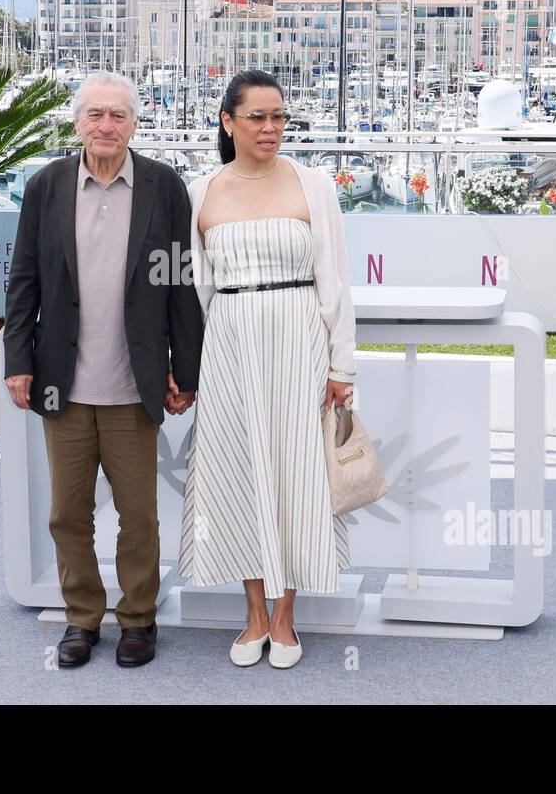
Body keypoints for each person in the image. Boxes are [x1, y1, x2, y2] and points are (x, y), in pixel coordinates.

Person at [1, 71, 204, 668]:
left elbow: (178, 281)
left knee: (138, 516)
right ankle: (82, 619)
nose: (106, 125)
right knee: (68, 513)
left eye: (117, 115)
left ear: (134, 124)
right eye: (95, 114)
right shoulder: (46, 186)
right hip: (62, 380)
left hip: (132, 385)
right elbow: (24, 281)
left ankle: (139, 618)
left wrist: (183, 370)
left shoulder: (164, 187)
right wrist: (18, 362)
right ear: (78, 123)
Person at [178, 70, 357, 670]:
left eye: (279, 116)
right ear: (228, 123)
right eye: (257, 117)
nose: (271, 128)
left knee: (296, 476)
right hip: (228, 345)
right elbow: (194, 289)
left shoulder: (314, 185)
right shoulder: (200, 191)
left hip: (299, 341)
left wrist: (342, 365)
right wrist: (190, 365)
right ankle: (254, 612)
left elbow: (335, 283)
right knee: (239, 475)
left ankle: (286, 617)